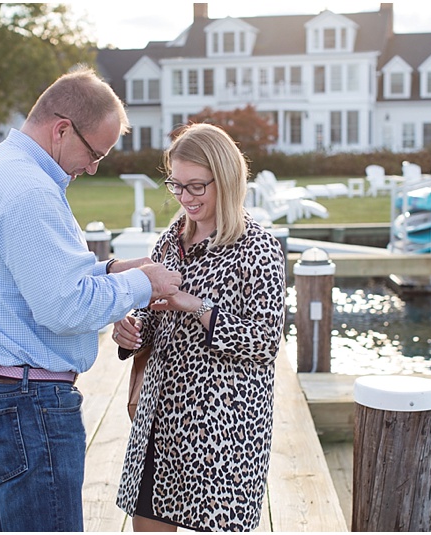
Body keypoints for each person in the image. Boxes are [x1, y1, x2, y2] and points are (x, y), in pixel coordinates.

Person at [0, 65, 182, 532]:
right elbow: (65, 307)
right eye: (95, 153)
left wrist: (111, 270)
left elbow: (29, 282)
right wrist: (145, 284)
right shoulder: (30, 190)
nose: (93, 168)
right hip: (24, 405)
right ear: (62, 129)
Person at [113, 123, 286, 532]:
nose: (185, 198)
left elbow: (264, 341)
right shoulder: (168, 241)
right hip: (160, 417)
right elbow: (153, 320)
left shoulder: (258, 248)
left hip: (224, 428)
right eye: (176, 185)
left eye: (196, 187)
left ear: (225, 180)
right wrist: (133, 332)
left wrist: (197, 306)